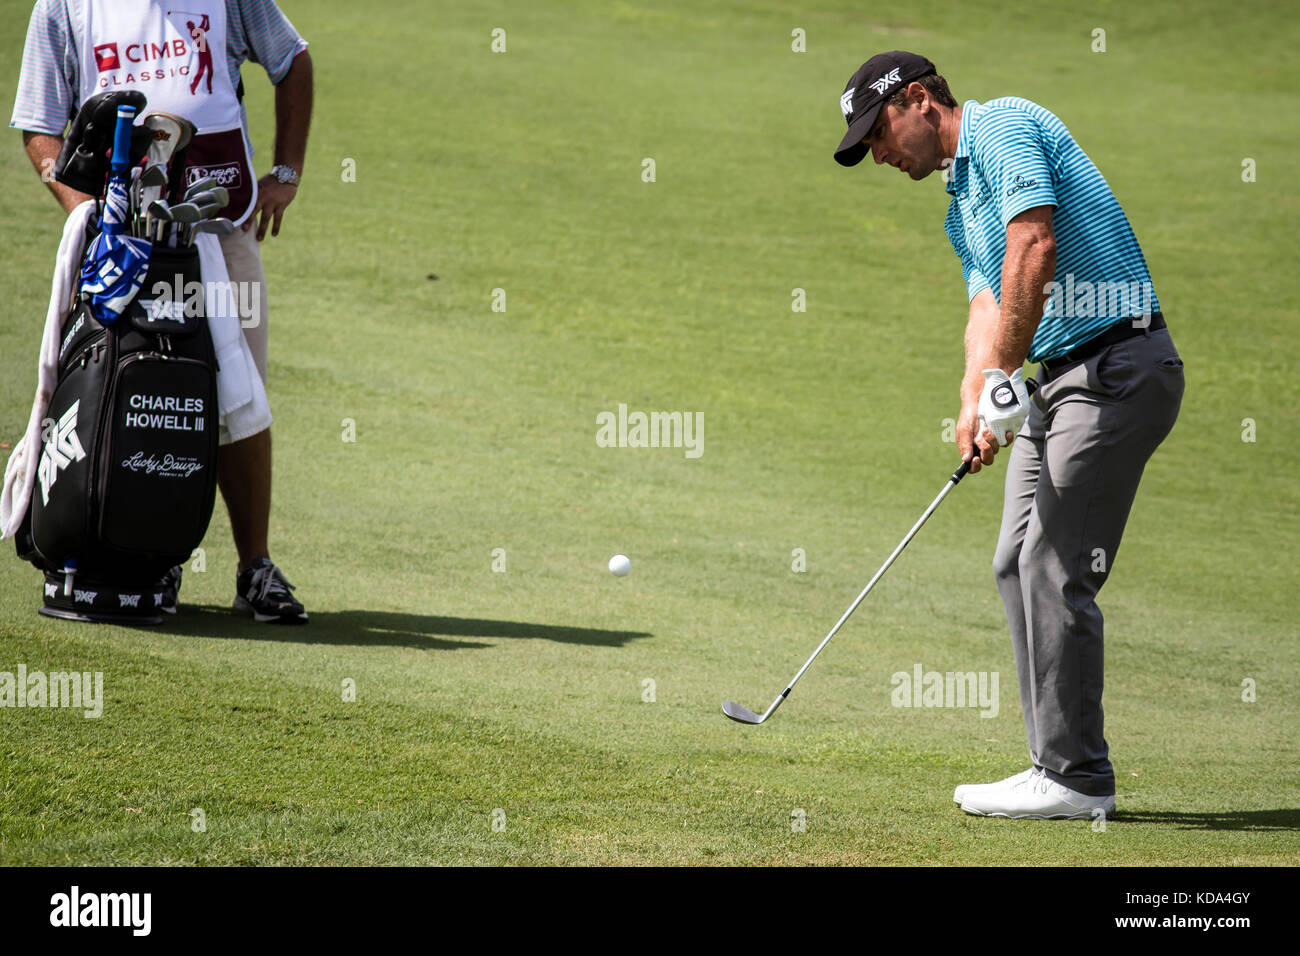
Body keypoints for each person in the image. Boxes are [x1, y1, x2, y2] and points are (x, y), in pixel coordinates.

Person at [833, 52, 1183, 819]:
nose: (879, 155)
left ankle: (1078, 777)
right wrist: (975, 396)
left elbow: (1035, 246)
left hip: (1116, 367)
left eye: (879, 133)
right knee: (1012, 562)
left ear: (919, 100)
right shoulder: (960, 203)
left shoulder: (1008, 127)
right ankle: (1049, 764)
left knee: (1054, 563)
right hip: (1056, 381)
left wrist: (1004, 375)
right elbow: (988, 303)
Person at [11, 0, 315, 624]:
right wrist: (85, 214)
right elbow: (40, 126)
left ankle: (253, 567)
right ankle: (144, 551)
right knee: (117, 389)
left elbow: (292, 61)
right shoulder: (64, 5)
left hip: (221, 229)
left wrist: (286, 171)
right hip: (114, 243)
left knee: (238, 396)